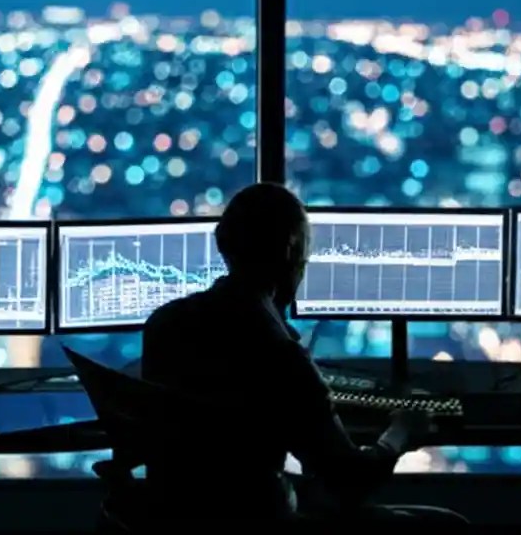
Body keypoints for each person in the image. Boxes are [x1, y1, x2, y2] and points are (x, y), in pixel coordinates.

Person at [141, 183, 467, 529]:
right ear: (288, 252)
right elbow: (350, 482)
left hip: (178, 518)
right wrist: (399, 433)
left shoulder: (164, 323)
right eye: (304, 256)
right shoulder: (280, 355)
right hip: (260, 518)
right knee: (449, 525)